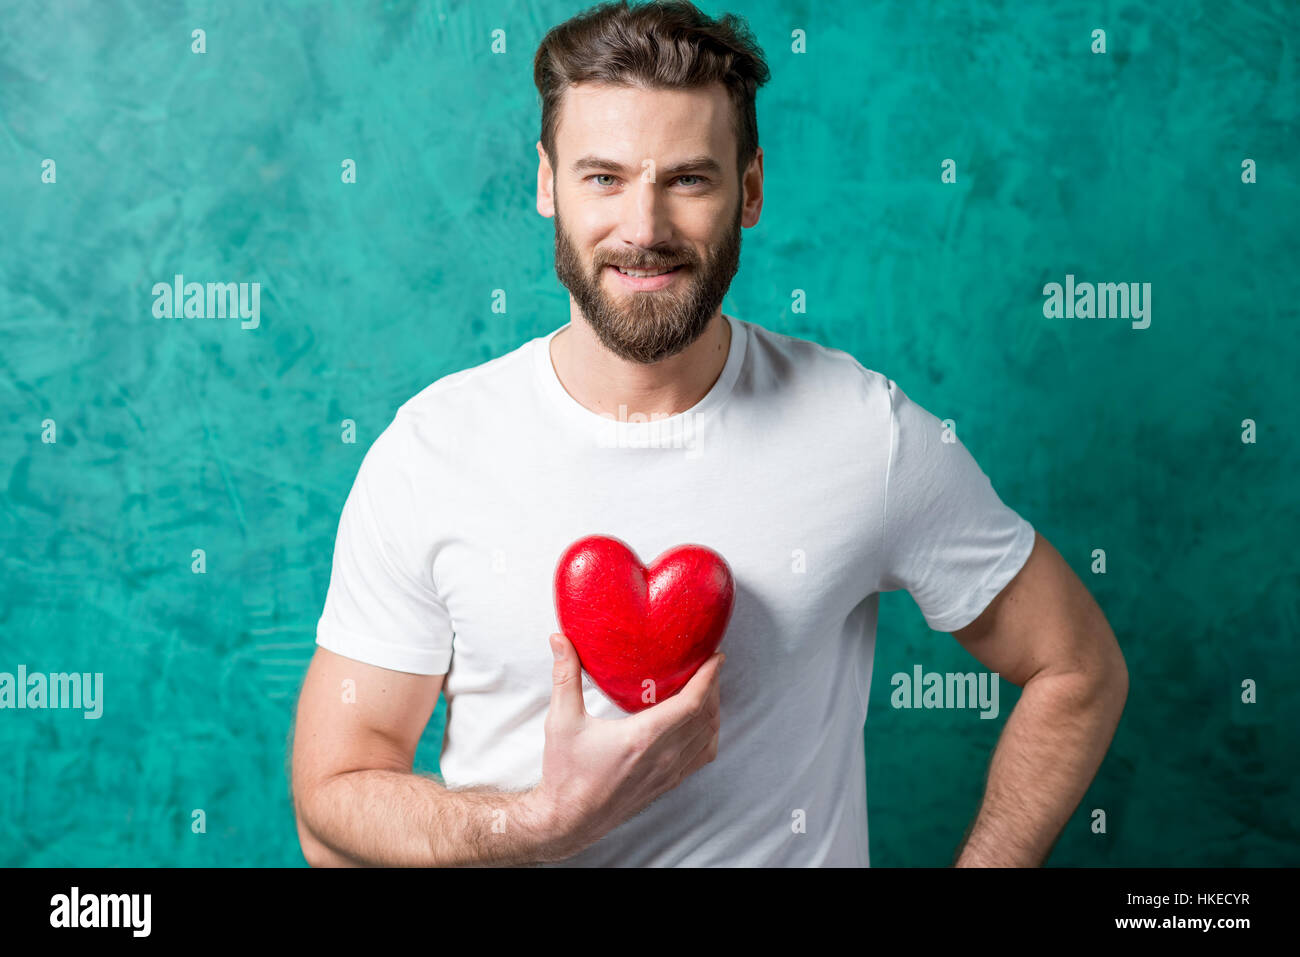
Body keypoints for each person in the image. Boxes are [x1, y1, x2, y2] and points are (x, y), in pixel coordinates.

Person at [290, 0, 1127, 867]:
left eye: (687, 179)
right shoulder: (433, 451)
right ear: (546, 183)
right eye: (603, 177)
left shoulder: (863, 432)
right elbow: (336, 799)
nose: (643, 229)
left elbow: (1076, 667)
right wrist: (537, 823)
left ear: (751, 190)